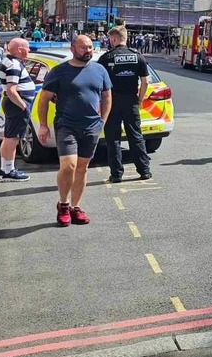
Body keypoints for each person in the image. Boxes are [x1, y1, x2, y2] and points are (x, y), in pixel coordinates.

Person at [37, 35, 112, 227]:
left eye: (90, 47)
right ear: (72, 48)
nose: (88, 50)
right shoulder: (59, 71)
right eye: (83, 47)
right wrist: (43, 125)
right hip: (66, 124)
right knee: (68, 166)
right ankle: (63, 204)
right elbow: (44, 98)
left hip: (91, 126)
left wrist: (102, 121)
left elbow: (106, 97)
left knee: (82, 167)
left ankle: (76, 207)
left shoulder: (100, 70)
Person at [98, 26, 152, 183]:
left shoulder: (106, 58)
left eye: (110, 39)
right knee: (136, 136)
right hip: (131, 101)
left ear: (114, 39)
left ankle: (116, 174)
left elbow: (99, 82)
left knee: (113, 139)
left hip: (112, 101)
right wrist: (140, 99)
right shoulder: (138, 56)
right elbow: (145, 81)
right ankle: (144, 171)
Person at [0, 38, 35, 181]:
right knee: (13, 139)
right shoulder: (14, 64)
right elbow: (12, 90)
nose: (29, 50)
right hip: (16, 104)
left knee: (8, 137)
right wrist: (23, 106)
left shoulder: (9, 61)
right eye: (27, 47)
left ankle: (4, 169)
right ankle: (9, 171)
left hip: (13, 103)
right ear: (19, 49)